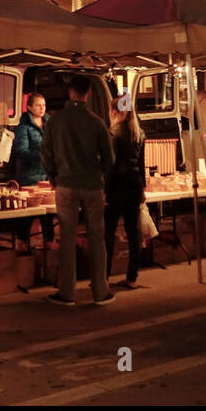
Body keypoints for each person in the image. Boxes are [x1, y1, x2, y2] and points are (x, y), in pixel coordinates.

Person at [41, 75, 115, 307]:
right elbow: (110, 159)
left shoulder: (55, 121)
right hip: (93, 185)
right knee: (97, 237)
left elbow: (46, 152)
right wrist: (100, 174)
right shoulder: (97, 122)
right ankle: (101, 291)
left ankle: (67, 292)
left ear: (70, 91)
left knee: (68, 237)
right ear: (89, 93)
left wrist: (53, 176)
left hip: (65, 184)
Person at [103, 96, 146, 290]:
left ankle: (104, 277)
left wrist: (105, 191)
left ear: (114, 111)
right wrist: (143, 188)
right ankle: (132, 277)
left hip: (117, 187)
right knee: (133, 232)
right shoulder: (139, 133)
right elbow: (141, 164)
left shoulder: (113, 132)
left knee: (108, 232)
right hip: (135, 185)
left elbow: (110, 166)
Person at [12, 93, 53, 249]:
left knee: (48, 218)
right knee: (26, 218)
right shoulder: (24, 127)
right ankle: (23, 251)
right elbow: (21, 151)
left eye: (44, 105)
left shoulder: (49, 123)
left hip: (46, 178)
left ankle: (49, 251)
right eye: (38, 105)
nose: (42, 108)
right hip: (29, 178)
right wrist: (42, 155)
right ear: (29, 107)